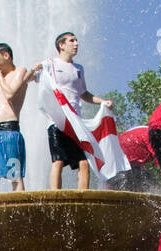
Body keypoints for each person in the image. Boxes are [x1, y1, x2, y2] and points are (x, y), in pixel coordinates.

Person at [37, 32, 112, 190]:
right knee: (58, 161)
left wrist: (102, 102)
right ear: (61, 45)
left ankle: (82, 199)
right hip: (57, 121)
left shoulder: (79, 69)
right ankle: (55, 199)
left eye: (76, 40)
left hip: (75, 123)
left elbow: (84, 94)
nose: (76, 43)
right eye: (72, 41)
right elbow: (35, 77)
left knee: (84, 162)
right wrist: (33, 70)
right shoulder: (50, 64)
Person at [0, 43, 38, 193]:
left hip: (9, 131)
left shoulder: (20, 71)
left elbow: (10, 94)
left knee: (15, 177)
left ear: (6, 56)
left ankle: (21, 214)